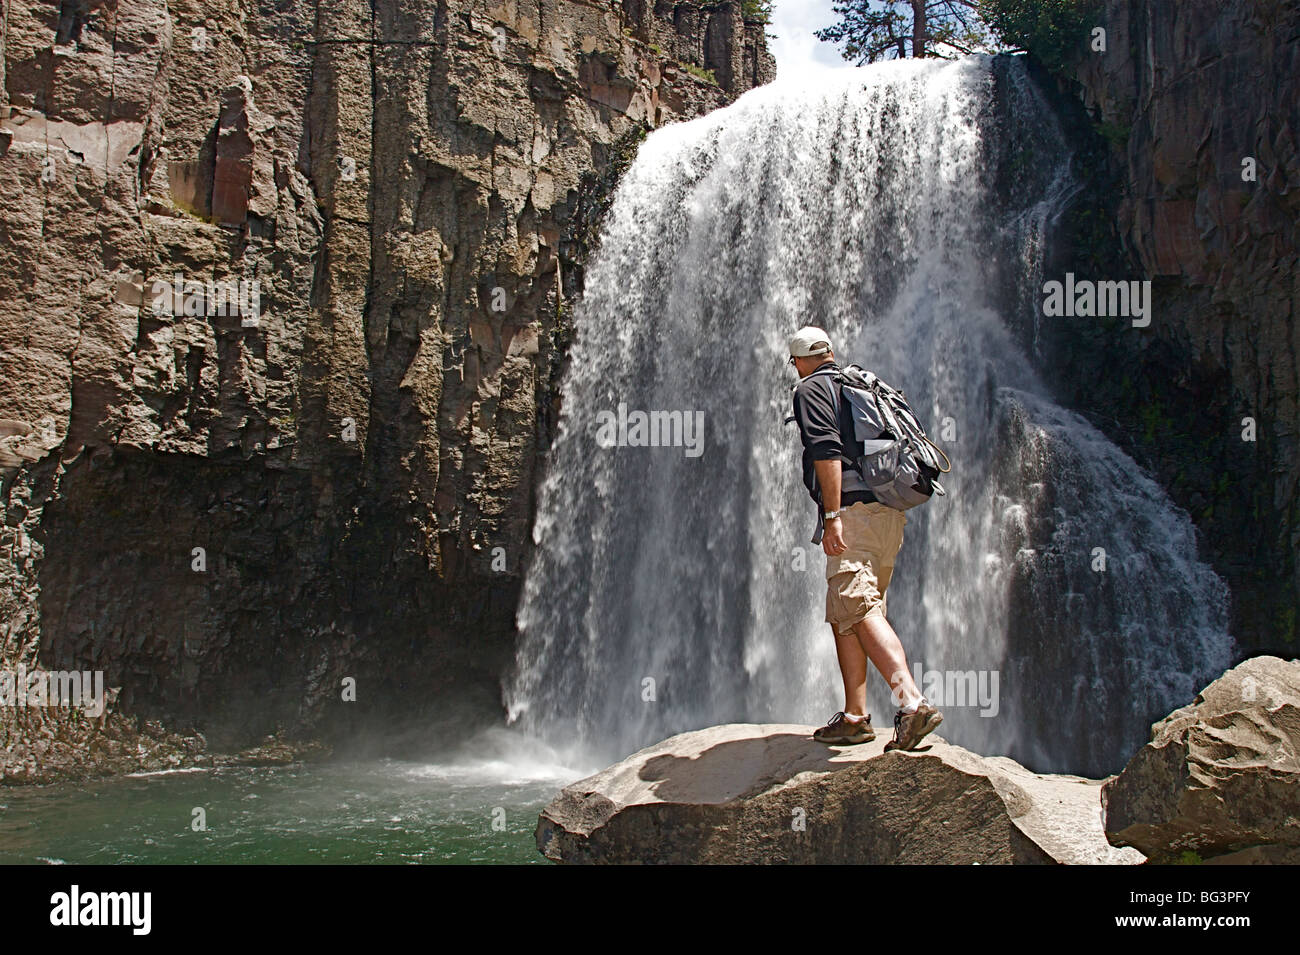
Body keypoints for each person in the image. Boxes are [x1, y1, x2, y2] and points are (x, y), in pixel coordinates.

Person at [788, 326, 943, 751]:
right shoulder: (858, 385)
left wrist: (833, 517)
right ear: (830, 353)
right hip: (887, 515)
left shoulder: (812, 389)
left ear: (800, 361)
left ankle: (911, 704)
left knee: (856, 608)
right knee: (848, 614)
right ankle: (856, 716)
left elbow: (826, 451)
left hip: (854, 514)